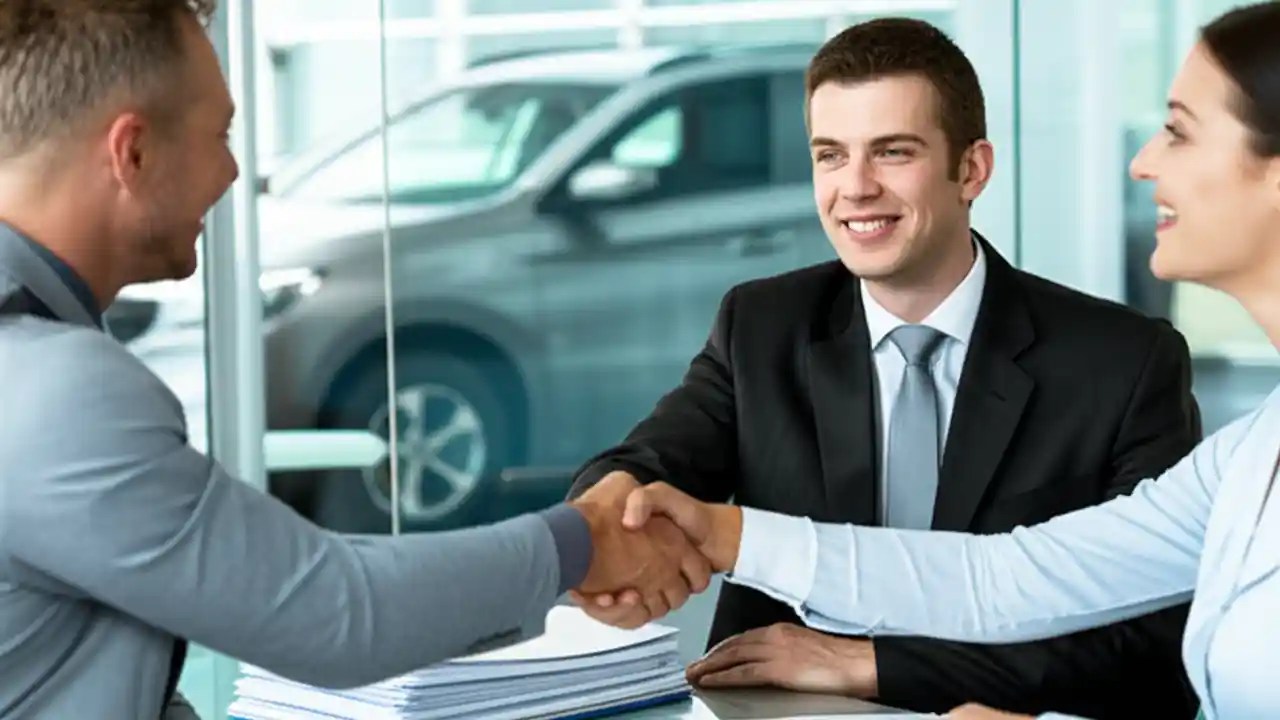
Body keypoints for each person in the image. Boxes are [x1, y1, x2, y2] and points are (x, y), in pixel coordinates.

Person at [0, 3, 707, 718]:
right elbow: (336, 611)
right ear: (134, 152)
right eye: (219, 133)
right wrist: (578, 541)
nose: (232, 170)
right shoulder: (54, 387)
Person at [613, 5, 1280, 719]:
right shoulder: (1248, 454)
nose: (1143, 161)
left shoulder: (1127, 362)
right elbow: (1003, 579)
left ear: (972, 169)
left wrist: (881, 667)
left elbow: (1146, 651)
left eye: (1179, 131)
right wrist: (718, 534)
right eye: (830, 153)